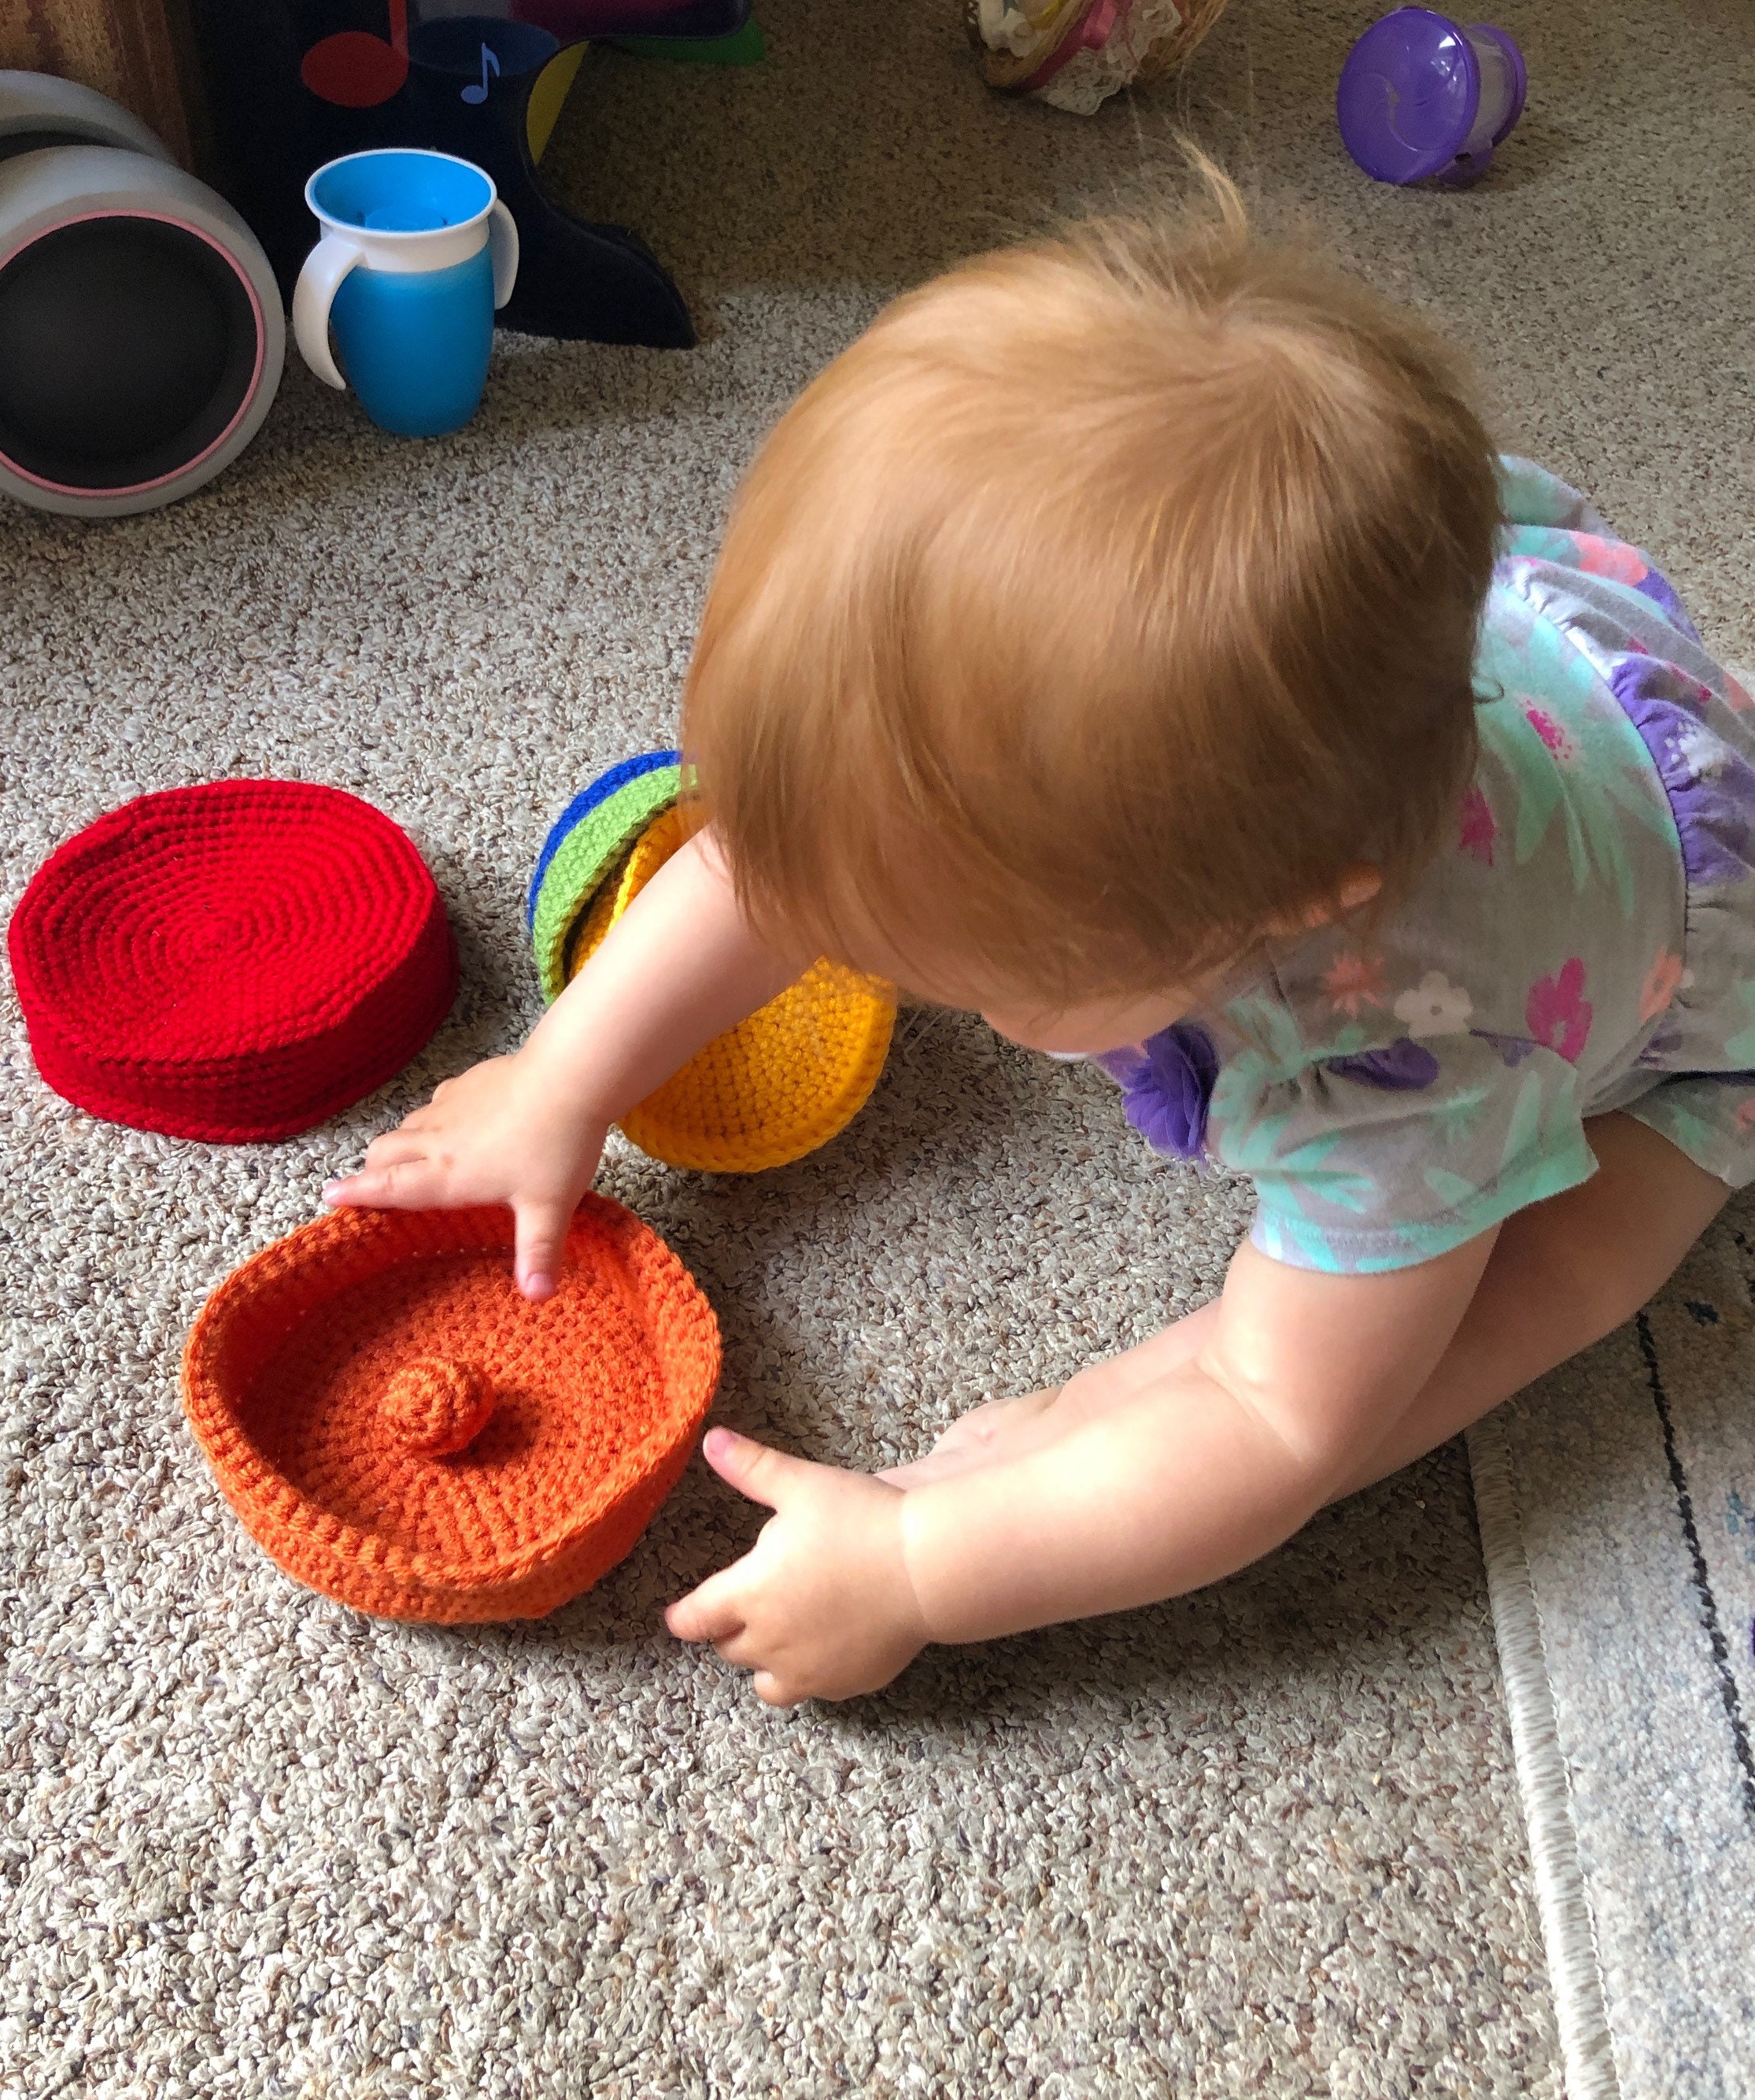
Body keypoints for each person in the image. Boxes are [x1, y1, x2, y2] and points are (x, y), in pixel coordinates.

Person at [327, 177, 1750, 1706]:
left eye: (988, 980)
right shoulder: (1340, 623)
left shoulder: (1395, 1062)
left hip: (1689, 1005)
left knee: (1532, 1285)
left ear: (1268, 921)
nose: (901, 972)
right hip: (1547, 647)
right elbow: (770, 867)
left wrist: (931, 1566)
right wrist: (566, 1075)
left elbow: (1276, 1425)